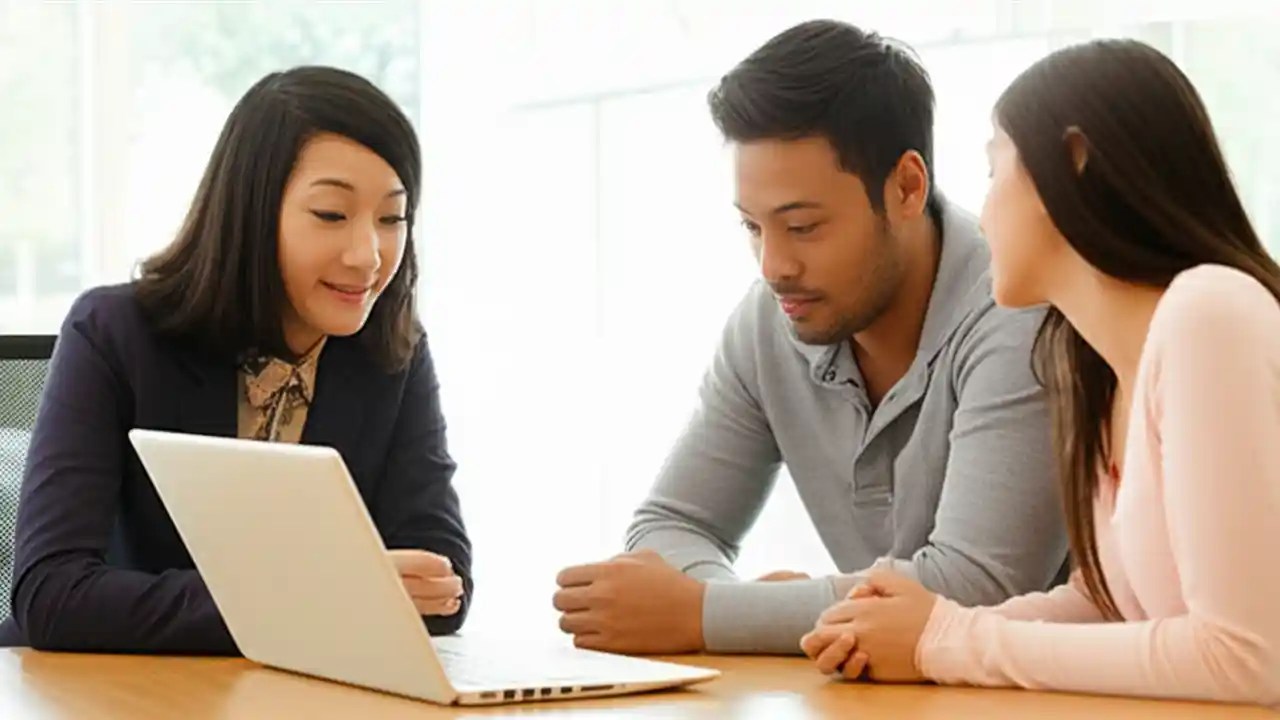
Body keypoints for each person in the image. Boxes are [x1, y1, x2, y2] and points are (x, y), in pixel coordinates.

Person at [552, 20, 1068, 656]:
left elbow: (977, 584)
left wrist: (713, 616)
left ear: (907, 187)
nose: (773, 266)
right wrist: (734, 608)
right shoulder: (772, 319)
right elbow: (673, 523)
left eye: (803, 226)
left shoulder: (1018, 309)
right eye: (752, 227)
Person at [802, 39, 1280, 707]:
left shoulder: (1210, 313)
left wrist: (948, 639)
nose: (983, 211)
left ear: (1073, 160)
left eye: (995, 168)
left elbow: (1245, 656)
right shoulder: (1101, 371)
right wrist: (911, 626)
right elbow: (1109, 604)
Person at [0, 66, 472, 653]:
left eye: (391, 218)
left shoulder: (392, 352)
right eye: (330, 214)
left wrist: (399, 590)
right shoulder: (113, 333)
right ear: (251, 211)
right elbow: (53, 595)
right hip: (106, 693)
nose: (367, 255)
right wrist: (313, 596)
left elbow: (443, 586)